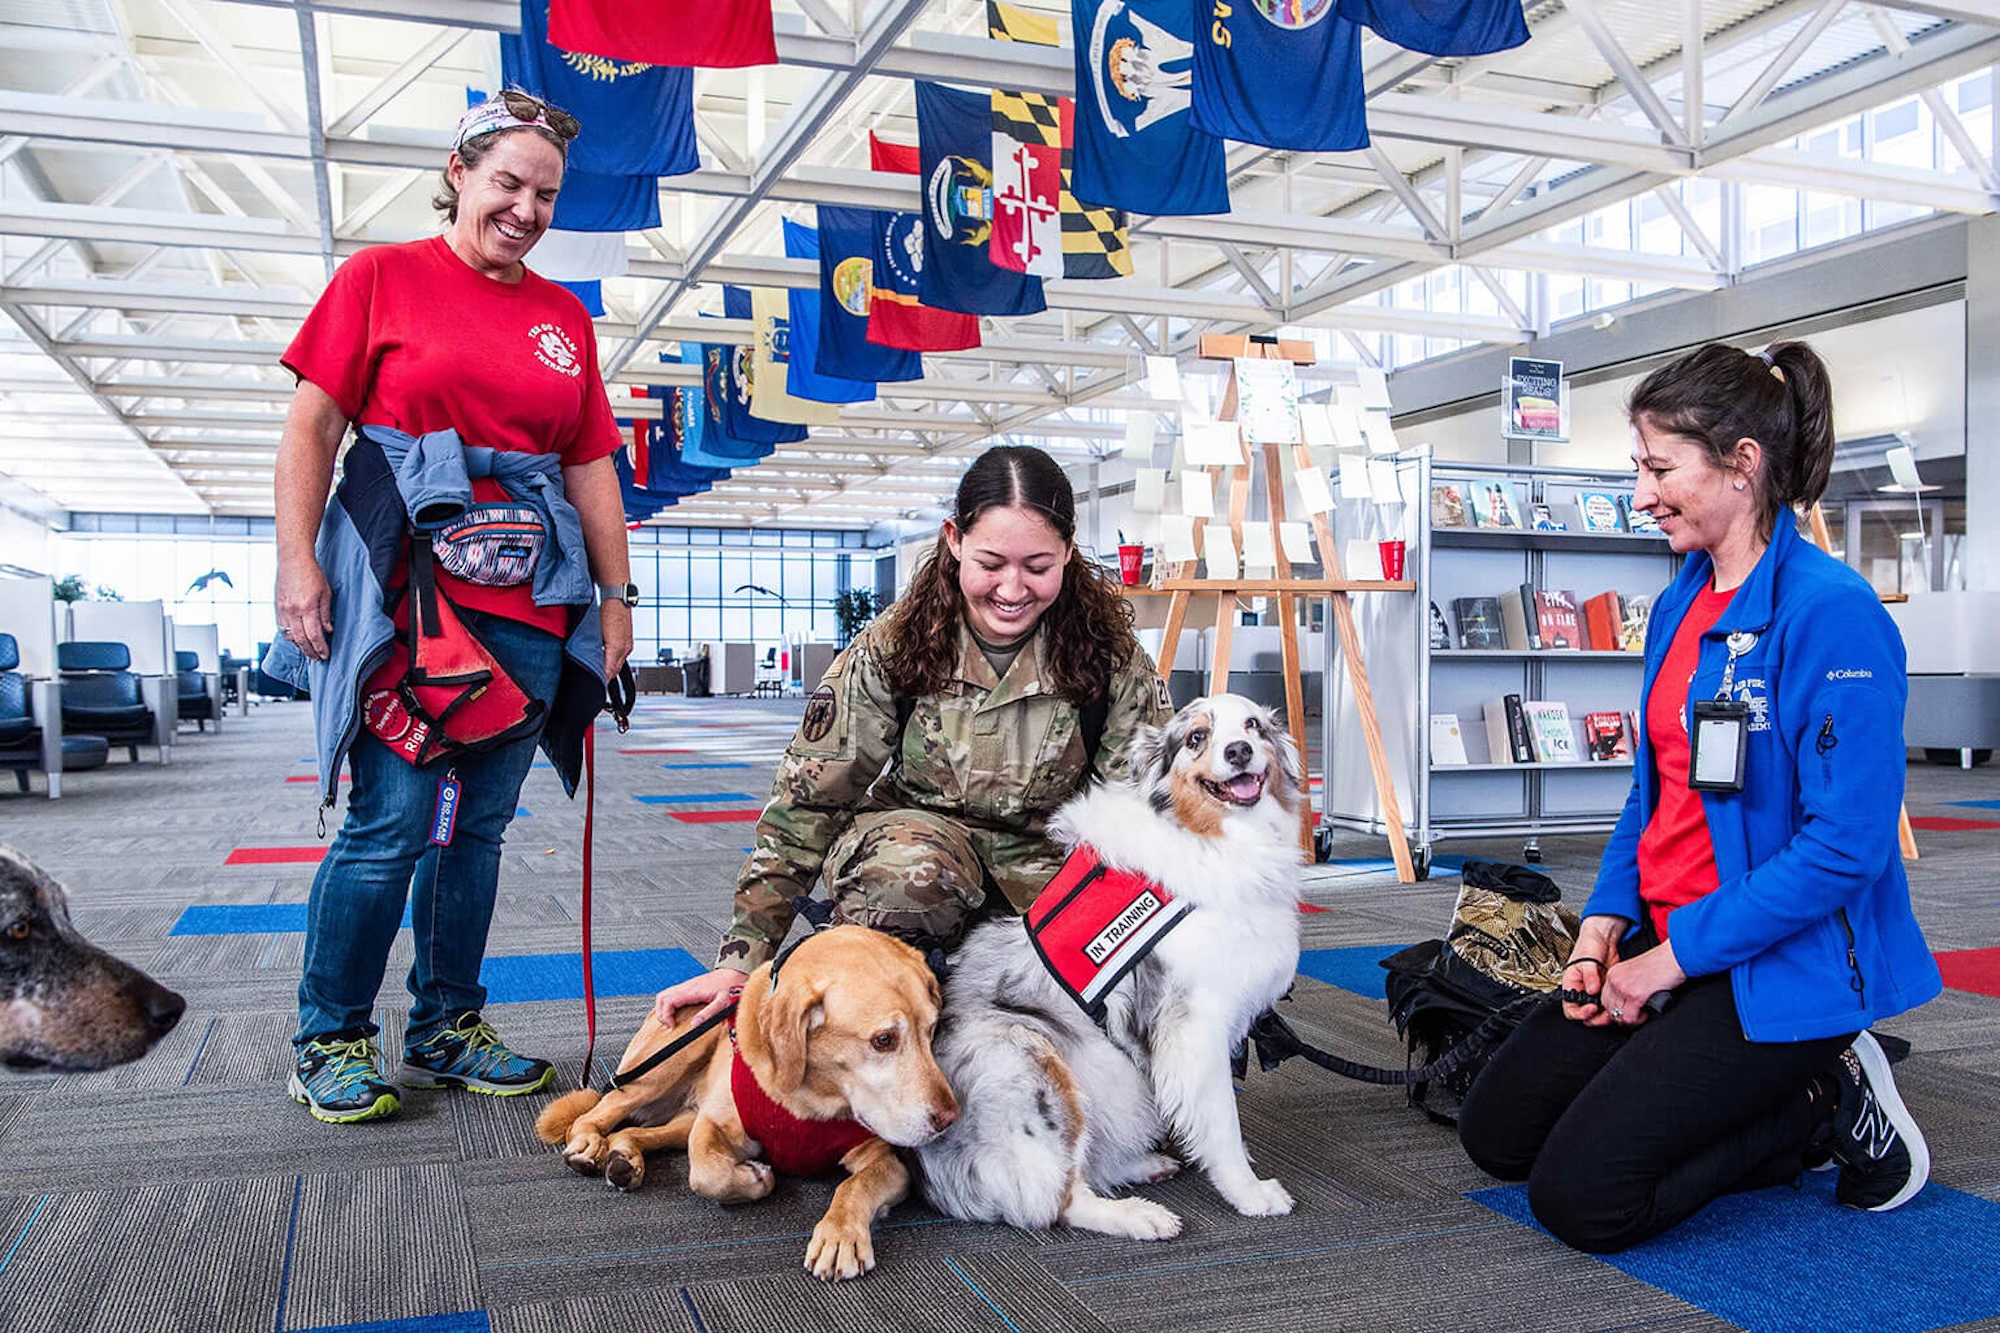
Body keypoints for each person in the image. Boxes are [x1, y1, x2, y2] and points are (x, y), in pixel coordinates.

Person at [1456, 341, 1943, 1253]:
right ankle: (1704, 1067)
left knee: (1584, 1197)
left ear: (1742, 466)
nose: (1642, 494)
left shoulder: (1832, 614)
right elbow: (1656, 787)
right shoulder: (1682, 597)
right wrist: (1604, 921)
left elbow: (1846, 847)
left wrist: (1668, 964)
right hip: (1671, 937)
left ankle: (1823, 1099)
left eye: (1659, 467)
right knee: (1499, 1135)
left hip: (1774, 962)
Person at [266, 91, 635, 1124]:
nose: (525, 208)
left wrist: (614, 601)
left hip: (526, 605)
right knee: (386, 825)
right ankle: (328, 1035)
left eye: (546, 194)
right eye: (508, 183)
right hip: (406, 600)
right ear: (460, 172)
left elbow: (591, 465)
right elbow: (311, 431)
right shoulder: (379, 278)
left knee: (477, 831)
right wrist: (300, 563)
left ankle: (445, 1022)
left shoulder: (563, 317)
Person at [653, 445, 1176, 1026]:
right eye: (991, 562)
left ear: (1069, 553)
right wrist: (744, 957)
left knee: (1143, 1011)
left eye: (1038, 566)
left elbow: (1142, 816)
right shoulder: (898, 643)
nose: (1012, 588)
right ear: (953, 539)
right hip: (922, 852)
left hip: (1050, 872)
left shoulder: (1109, 656)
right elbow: (808, 802)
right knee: (905, 873)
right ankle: (894, 1013)